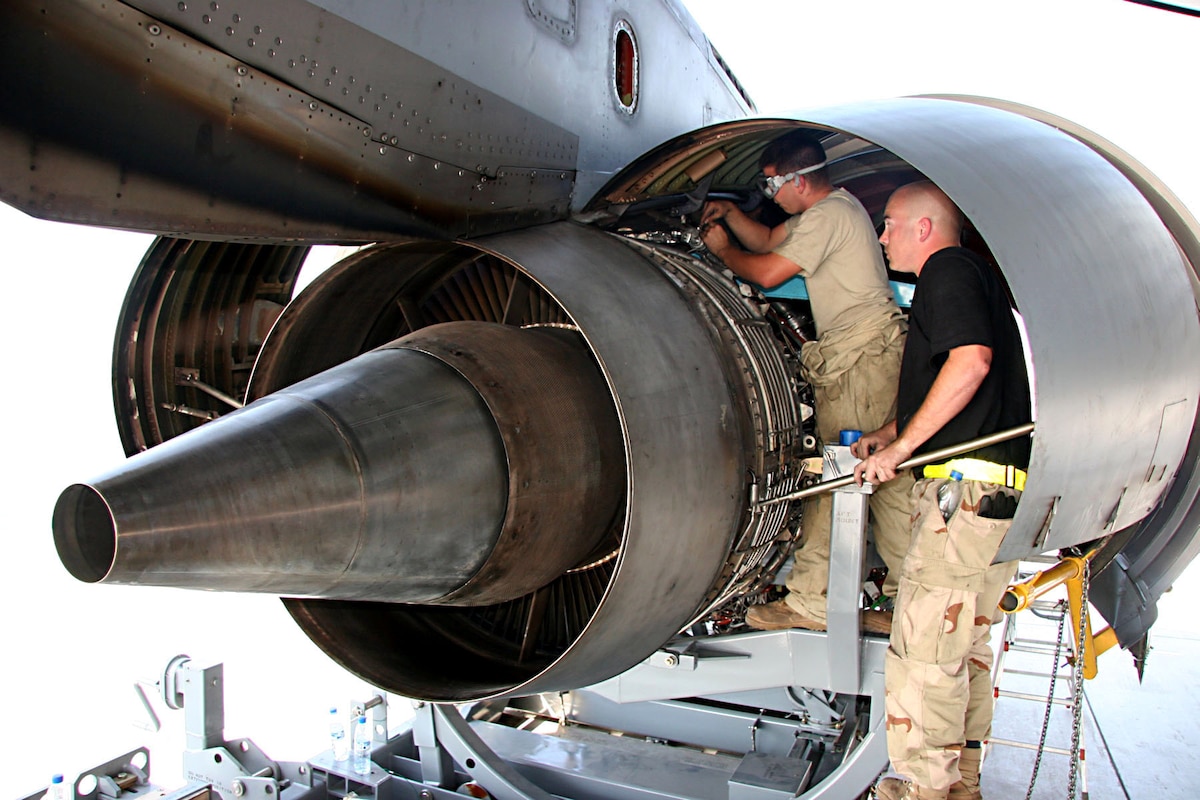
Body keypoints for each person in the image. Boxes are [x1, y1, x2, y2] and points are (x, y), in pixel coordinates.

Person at [852, 181, 1032, 800]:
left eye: (889, 223)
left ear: (923, 227)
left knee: (925, 655)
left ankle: (924, 791)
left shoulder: (946, 270)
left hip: (961, 499)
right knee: (965, 651)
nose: (882, 237)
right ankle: (961, 786)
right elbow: (962, 391)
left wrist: (901, 451)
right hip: (994, 501)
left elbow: (969, 362)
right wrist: (889, 433)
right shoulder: (980, 277)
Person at [700, 130, 912, 633]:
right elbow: (769, 240)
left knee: (840, 474)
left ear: (798, 179)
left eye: (772, 185)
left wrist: (723, 251)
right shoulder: (835, 209)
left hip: (859, 363)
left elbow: (768, 272)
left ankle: (812, 602)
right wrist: (732, 215)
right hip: (868, 358)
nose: (770, 194)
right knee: (881, 479)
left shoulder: (829, 216)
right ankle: (910, 601)